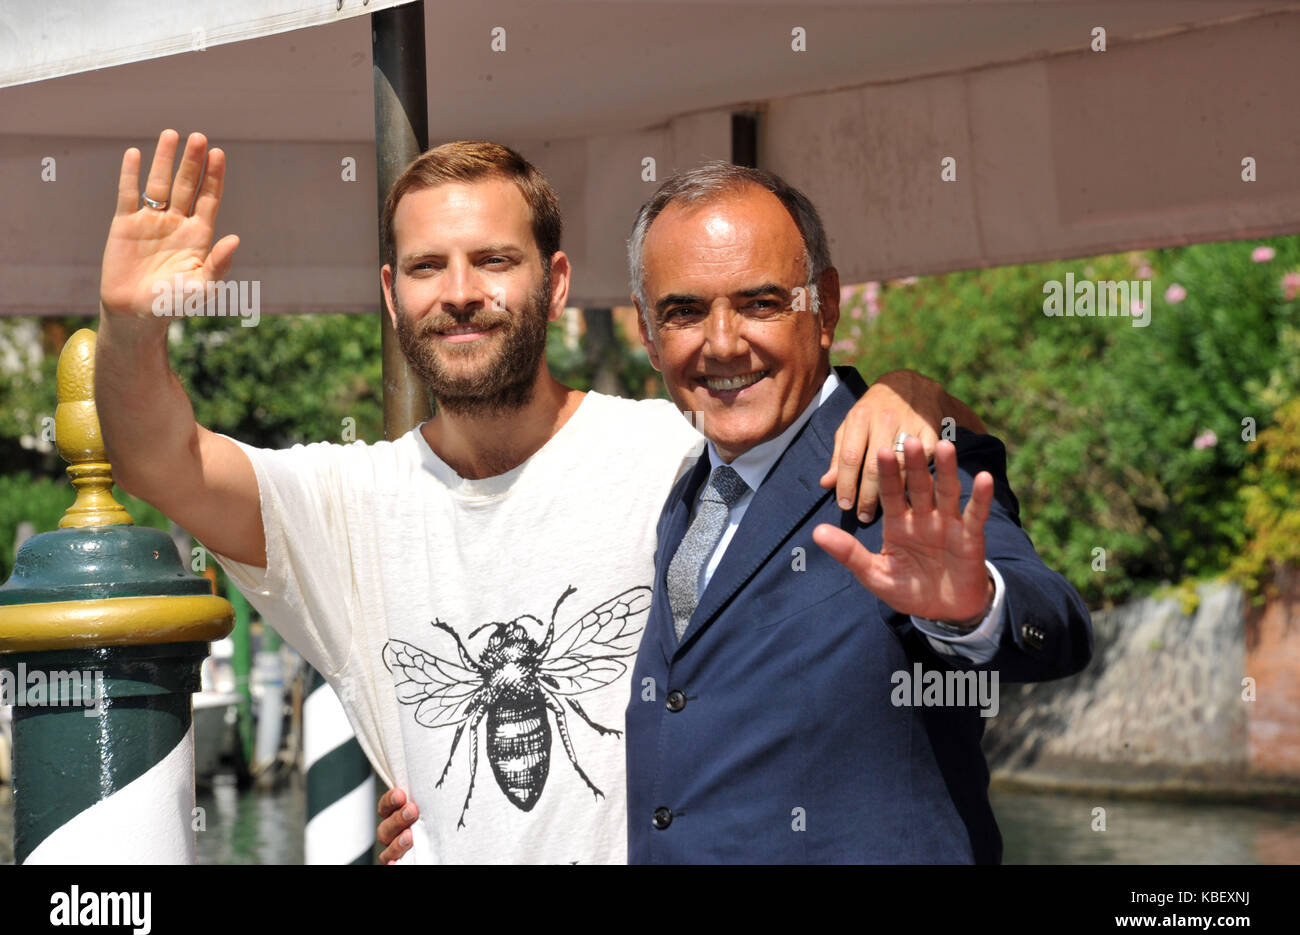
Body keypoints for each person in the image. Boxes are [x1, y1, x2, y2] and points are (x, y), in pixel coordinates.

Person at [96, 130, 981, 864]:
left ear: (555, 284)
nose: (460, 293)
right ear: (390, 296)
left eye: (493, 260)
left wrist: (909, 394)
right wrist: (132, 325)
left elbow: (888, 446)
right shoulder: (345, 504)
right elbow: (157, 458)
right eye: (425, 266)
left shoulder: (683, 450)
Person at [617, 162, 1093, 863]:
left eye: (759, 303)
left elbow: (1056, 622)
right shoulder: (686, 495)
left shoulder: (904, 457)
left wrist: (973, 606)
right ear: (648, 331)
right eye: (684, 310)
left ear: (827, 305)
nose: (721, 342)